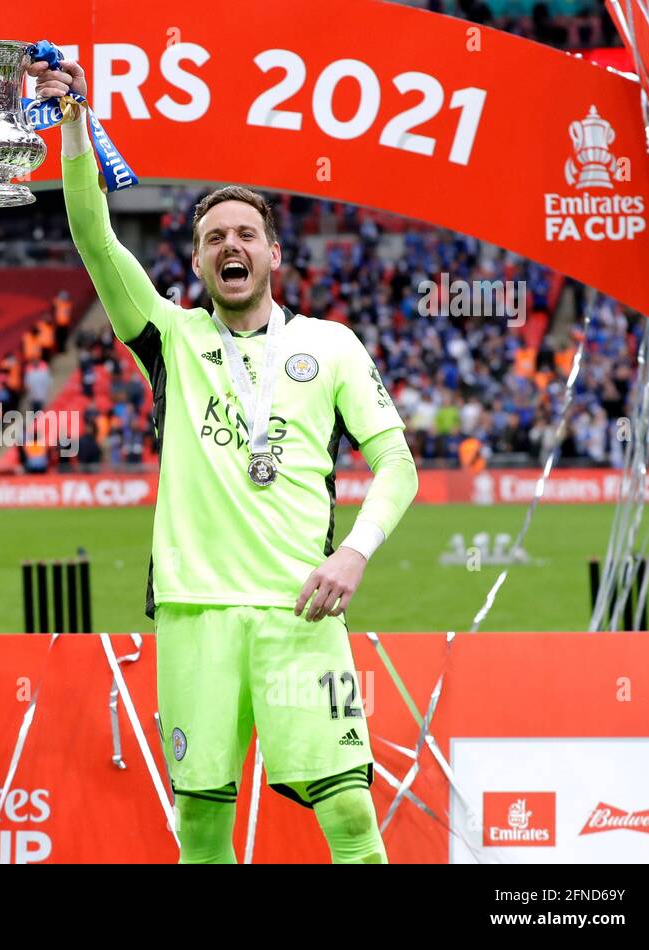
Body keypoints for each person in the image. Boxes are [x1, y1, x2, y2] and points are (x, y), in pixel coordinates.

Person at [34, 57, 418, 864]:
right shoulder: (171, 336)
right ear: (200, 263)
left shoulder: (330, 345)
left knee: (350, 815)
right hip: (195, 613)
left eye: (246, 234)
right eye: (214, 238)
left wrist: (353, 554)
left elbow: (398, 464)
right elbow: (95, 237)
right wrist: (72, 126)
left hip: (300, 614)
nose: (230, 246)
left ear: (274, 254)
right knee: (202, 830)